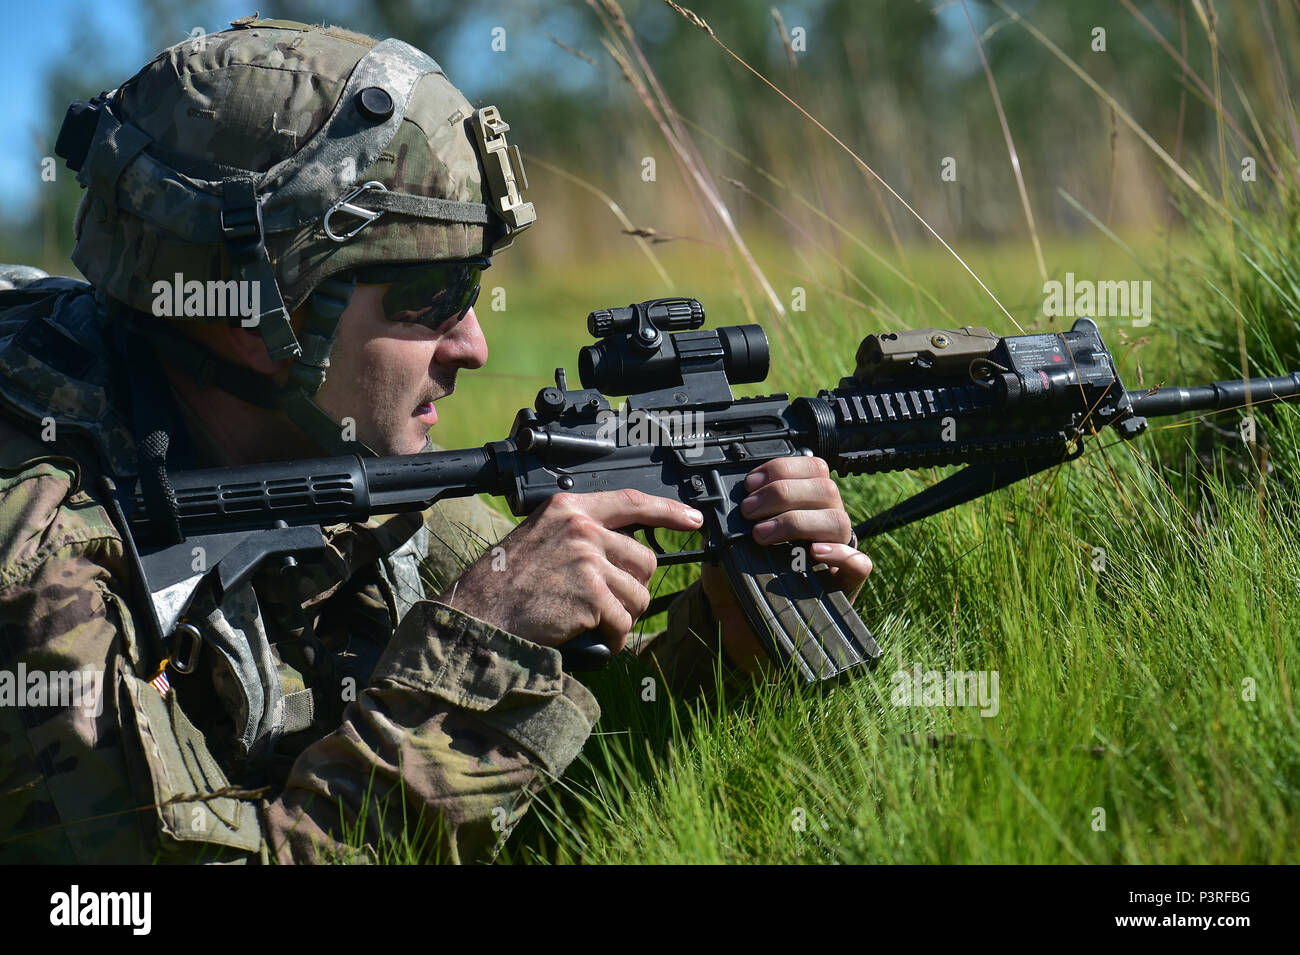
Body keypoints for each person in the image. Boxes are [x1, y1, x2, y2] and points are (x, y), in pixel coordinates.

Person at [0, 17, 870, 863]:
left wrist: (723, 640)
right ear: (258, 312)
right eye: (429, 294)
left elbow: (566, 777)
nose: (474, 345)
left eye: (473, 287)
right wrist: (473, 656)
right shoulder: (42, 574)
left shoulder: (359, 473)